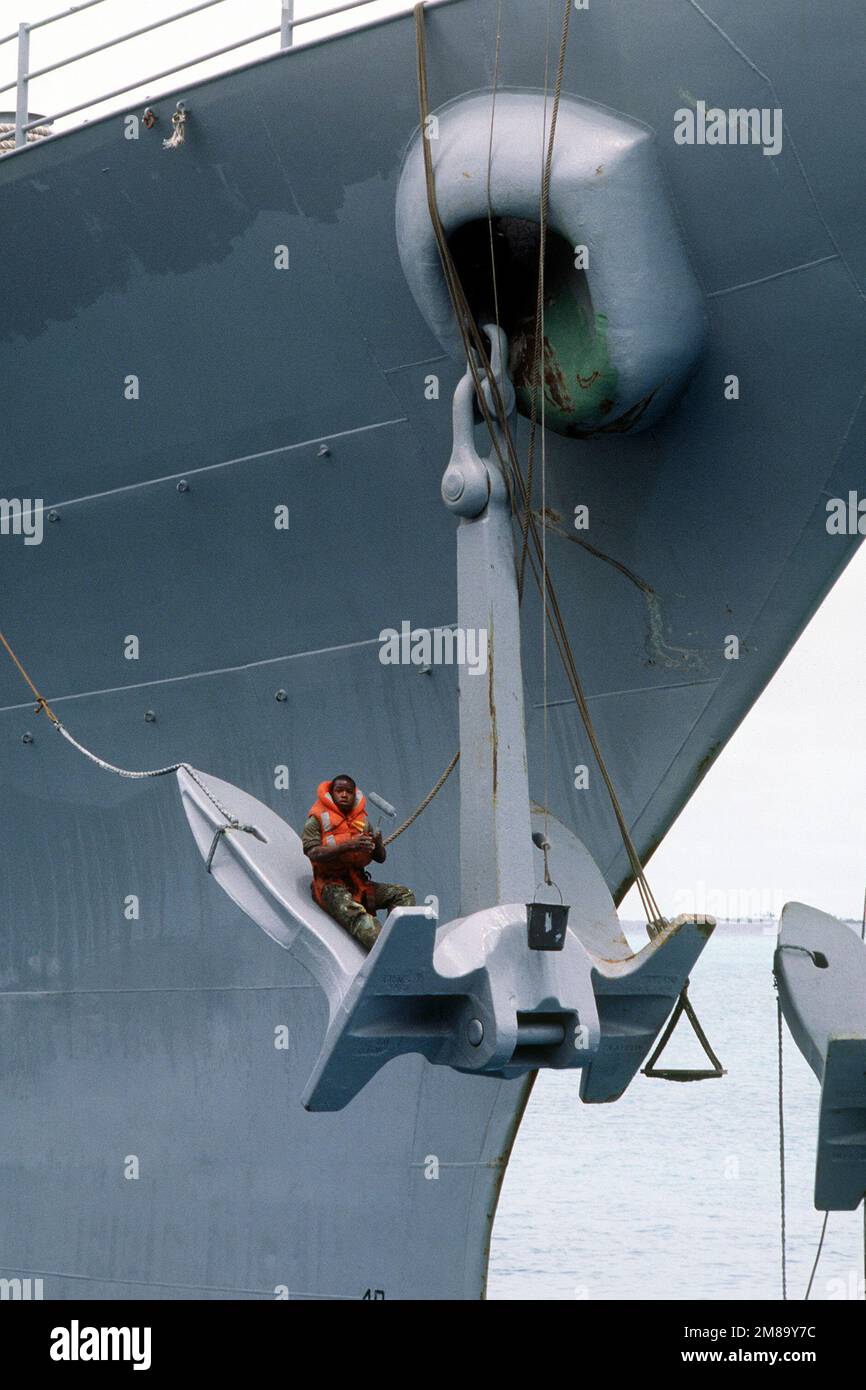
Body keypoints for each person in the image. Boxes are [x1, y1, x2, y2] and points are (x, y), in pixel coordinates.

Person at [302, 775, 415, 951]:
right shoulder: (317, 819)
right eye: (340, 791)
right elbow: (312, 852)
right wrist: (348, 845)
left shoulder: (362, 822)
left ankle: (402, 943)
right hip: (330, 885)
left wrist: (377, 842)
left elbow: (380, 858)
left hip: (357, 882)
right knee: (360, 919)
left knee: (403, 894)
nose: (344, 795)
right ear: (331, 794)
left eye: (349, 792)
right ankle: (387, 951)